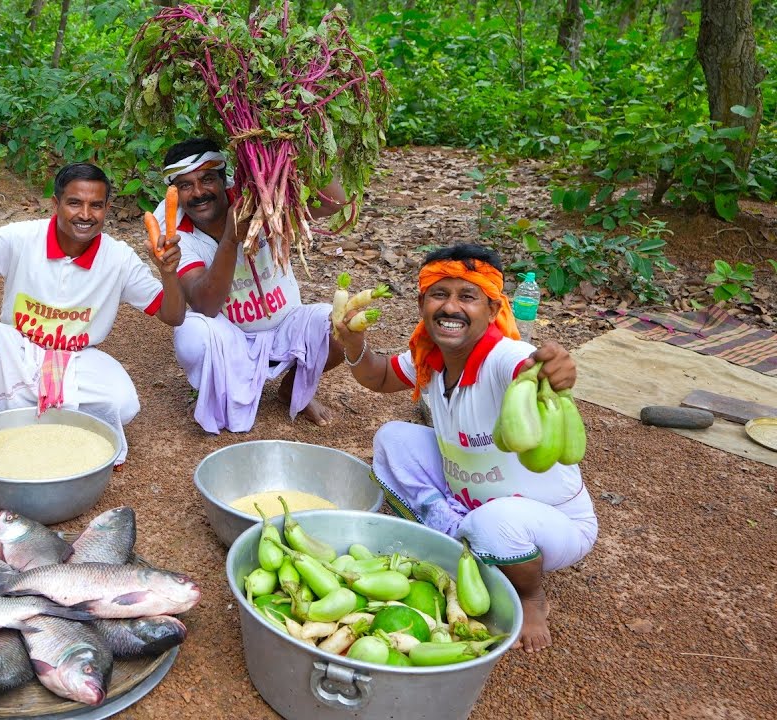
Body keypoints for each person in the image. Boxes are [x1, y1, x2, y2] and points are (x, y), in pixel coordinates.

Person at [334, 243, 598, 653]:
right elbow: (382, 376)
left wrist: (553, 366)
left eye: (467, 296)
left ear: (493, 310)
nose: (450, 307)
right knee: (392, 439)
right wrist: (353, 342)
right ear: (422, 303)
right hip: (471, 501)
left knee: (492, 523)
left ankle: (530, 597)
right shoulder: (431, 355)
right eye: (439, 294)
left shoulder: (502, 356)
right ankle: (448, 529)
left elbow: (527, 363)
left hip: (550, 523)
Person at [0, 162, 185, 465]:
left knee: (124, 403)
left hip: (79, 358)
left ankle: (21, 409)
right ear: (55, 204)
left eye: (96, 205)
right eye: (74, 203)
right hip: (19, 351)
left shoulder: (118, 258)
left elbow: (173, 316)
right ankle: (26, 416)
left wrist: (168, 273)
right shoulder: (22, 238)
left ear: (107, 208)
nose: (85, 214)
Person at [154, 138, 348, 434]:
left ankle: (292, 387)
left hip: (286, 326)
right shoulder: (173, 231)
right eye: (185, 185)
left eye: (207, 179)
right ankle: (233, 389)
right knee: (192, 334)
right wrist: (231, 239)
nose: (198, 193)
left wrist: (304, 146)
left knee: (342, 326)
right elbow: (205, 305)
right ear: (174, 192)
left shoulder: (261, 196)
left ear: (223, 179)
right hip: (231, 343)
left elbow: (334, 201)